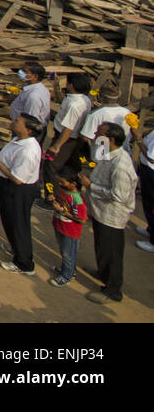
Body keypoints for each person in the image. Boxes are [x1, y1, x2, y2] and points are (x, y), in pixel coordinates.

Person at [80, 121, 137, 304]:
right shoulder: (107, 153)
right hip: (100, 211)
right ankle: (103, 274)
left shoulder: (121, 166)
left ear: (111, 139)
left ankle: (112, 291)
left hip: (112, 216)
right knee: (102, 247)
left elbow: (118, 197)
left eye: (100, 133)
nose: (96, 135)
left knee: (112, 253)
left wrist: (91, 186)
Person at [0, 113, 43, 276]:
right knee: (9, 219)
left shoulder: (29, 151)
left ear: (28, 130)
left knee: (18, 223)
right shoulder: (18, 140)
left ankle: (24, 263)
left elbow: (18, 179)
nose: (13, 122)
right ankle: (15, 246)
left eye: (18, 122)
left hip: (18, 189)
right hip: (7, 185)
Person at [42, 72, 93, 208]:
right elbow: (61, 99)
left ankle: (51, 199)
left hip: (66, 139)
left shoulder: (75, 104)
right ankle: (71, 194)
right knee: (72, 166)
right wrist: (56, 84)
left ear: (71, 85)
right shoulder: (81, 99)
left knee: (50, 166)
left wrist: (57, 146)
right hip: (70, 139)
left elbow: (68, 128)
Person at [48, 166, 88, 288]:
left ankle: (66, 275)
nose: (59, 184)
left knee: (68, 254)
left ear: (73, 183)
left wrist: (63, 212)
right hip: (60, 226)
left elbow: (81, 219)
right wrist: (54, 200)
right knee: (65, 252)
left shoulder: (77, 200)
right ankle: (69, 270)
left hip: (70, 231)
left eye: (62, 182)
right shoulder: (64, 190)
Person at [138, 122, 154, 254]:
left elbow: (151, 157)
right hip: (148, 170)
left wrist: (138, 140)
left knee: (151, 205)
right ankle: (150, 229)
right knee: (148, 204)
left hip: (151, 171)